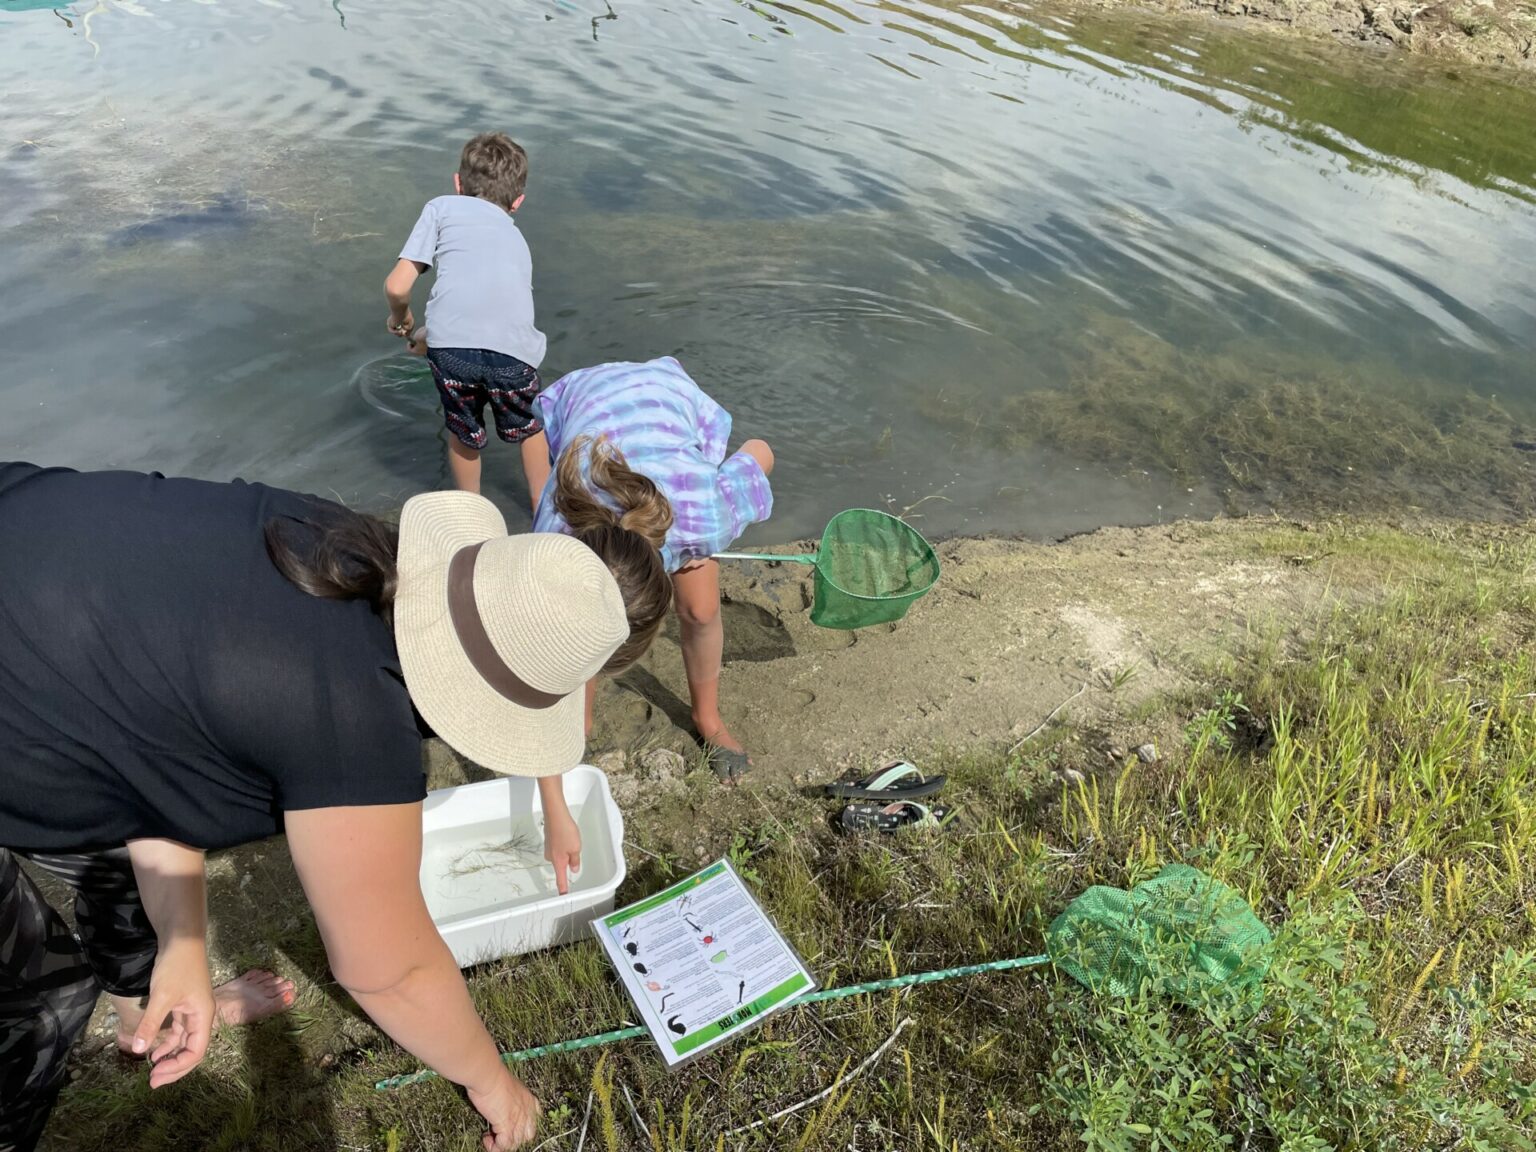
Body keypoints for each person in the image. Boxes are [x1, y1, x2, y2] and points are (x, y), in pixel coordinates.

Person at [0, 460, 671, 1152]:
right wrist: (496, 1088)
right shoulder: (354, 726)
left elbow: (156, 716)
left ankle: (139, 989)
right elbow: (389, 971)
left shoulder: (335, 542)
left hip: (27, 531)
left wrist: (185, 939)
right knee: (38, 1008)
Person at [531, 357, 775, 780]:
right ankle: (578, 723)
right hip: (587, 399)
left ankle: (708, 719)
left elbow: (761, 450)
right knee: (582, 623)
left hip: (667, 397)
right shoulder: (557, 531)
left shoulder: (705, 514)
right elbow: (530, 440)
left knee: (700, 609)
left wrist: (708, 541)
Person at [384, 132, 549, 500]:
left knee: (464, 431)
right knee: (530, 428)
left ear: (457, 183)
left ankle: (472, 511)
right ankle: (543, 512)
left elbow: (397, 287)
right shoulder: (516, 239)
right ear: (517, 202)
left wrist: (403, 318)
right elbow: (491, 315)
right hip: (514, 356)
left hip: (451, 351)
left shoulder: (441, 208)